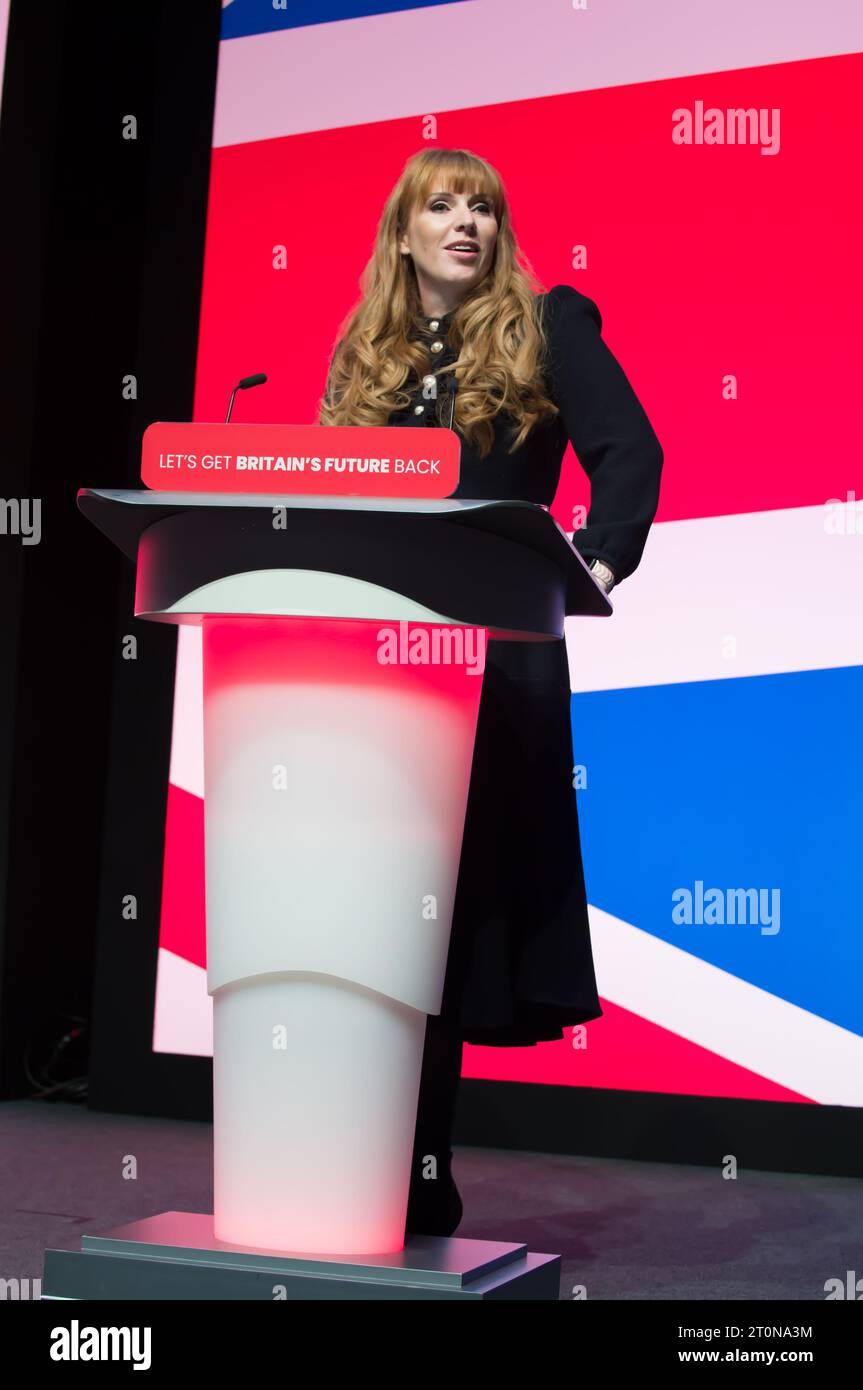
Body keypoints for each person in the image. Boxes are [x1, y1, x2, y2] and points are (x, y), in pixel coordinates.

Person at [319, 147, 663, 1236]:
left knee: (448, 915)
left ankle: (422, 1159)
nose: (463, 222)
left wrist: (591, 569)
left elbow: (632, 453)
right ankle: (357, 1149)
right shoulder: (367, 353)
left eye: (481, 207)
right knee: (372, 918)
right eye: (441, 206)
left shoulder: (546, 324)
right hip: (372, 666)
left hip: (490, 668)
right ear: (404, 234)